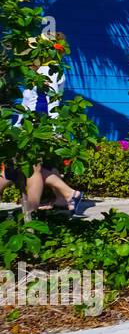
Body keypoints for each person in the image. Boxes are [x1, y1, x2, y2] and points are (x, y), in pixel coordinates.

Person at [6, 54, 85, 216]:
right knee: (41, 165)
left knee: (31, 167)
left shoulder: (48, 70)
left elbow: (52, 101)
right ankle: (64, 197)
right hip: (31, 125)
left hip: (39, 126)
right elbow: (27, 103)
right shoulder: (36, 71)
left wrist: (53, 130)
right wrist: (17, 125)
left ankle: (67, 194)